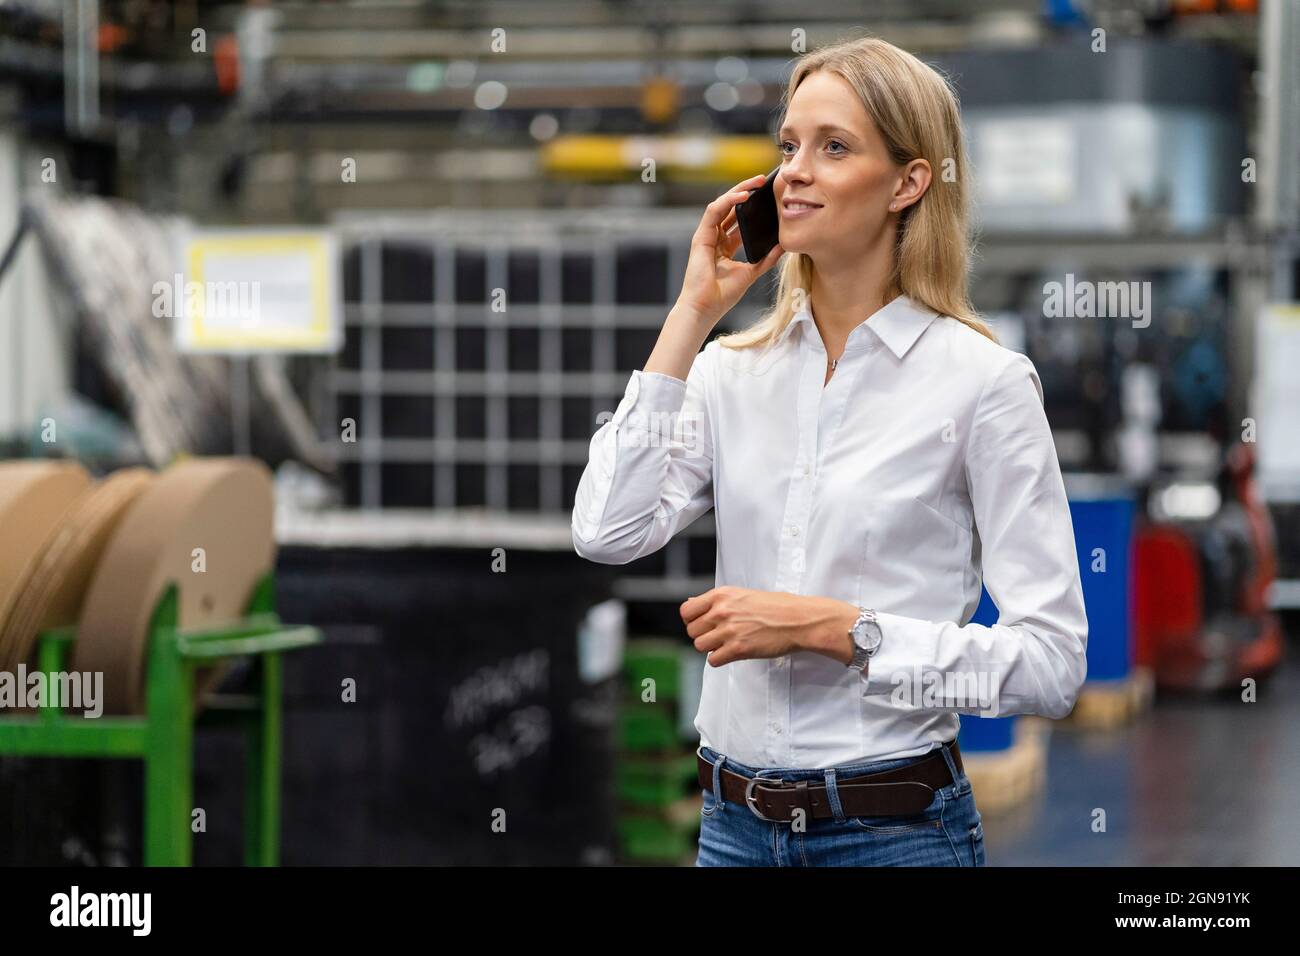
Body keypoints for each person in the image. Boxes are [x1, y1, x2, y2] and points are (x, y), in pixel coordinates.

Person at [571, 35, 1088, 867]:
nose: (793, 173)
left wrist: (837, 629)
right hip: (733, 831)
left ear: (910, 183)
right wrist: (691, 315)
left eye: (833, 147)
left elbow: (1052, 666)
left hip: (894, 834)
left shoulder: (982, 386)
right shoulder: (731, 372)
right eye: (788, 146)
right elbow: (607, 529)